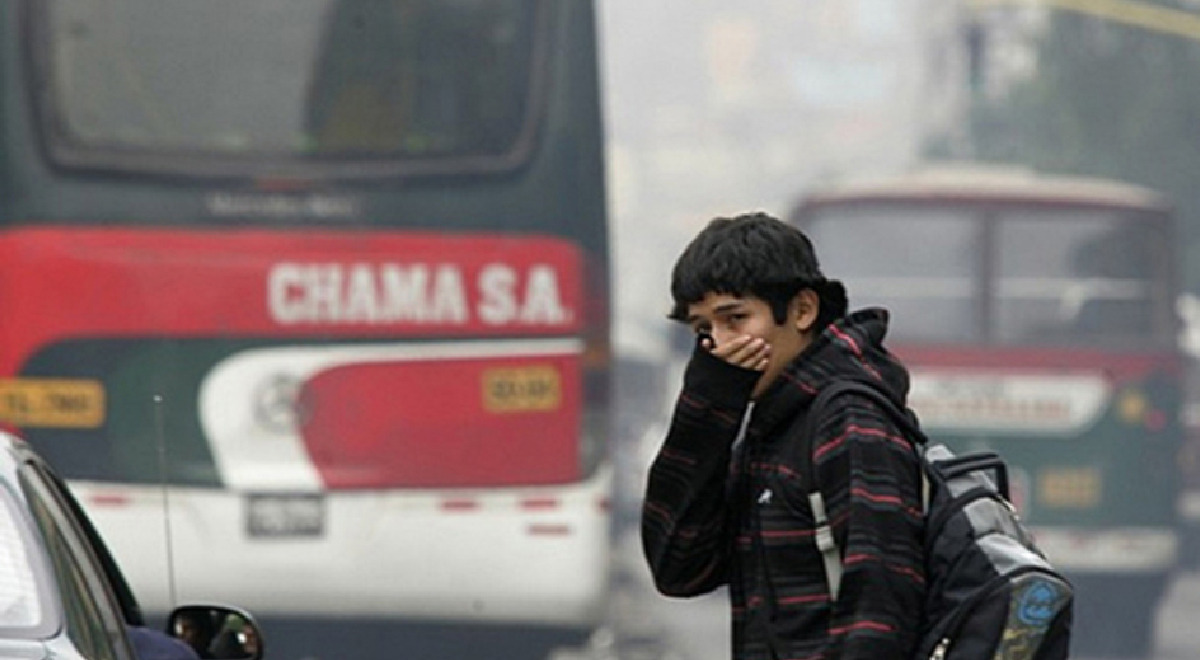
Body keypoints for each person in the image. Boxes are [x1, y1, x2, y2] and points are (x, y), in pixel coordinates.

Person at [641, 212, 925, 660]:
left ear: (803, 311)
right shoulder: (768, 425)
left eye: (735, 318)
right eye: (702, 331)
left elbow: (882, 602)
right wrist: (707, 407)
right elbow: (679, 567)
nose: (719, 344)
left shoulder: (846, 417)